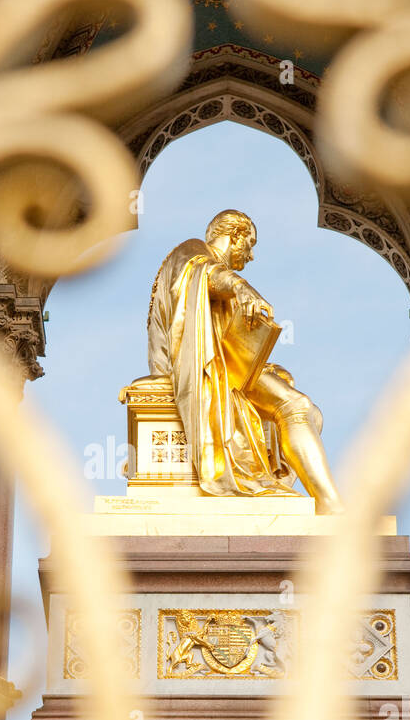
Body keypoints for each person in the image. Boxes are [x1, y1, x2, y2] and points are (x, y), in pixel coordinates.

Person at [147, 210, 343, 510]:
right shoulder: (192, 250)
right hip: (205, 373)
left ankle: (281, 490)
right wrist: (240, 286)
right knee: (297, 406)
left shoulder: (206, 266)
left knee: (311, 414)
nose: (250, 257)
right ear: (235, 236)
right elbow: (208, 274)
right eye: (250, 244)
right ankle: (331, 505)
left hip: (224, 369)